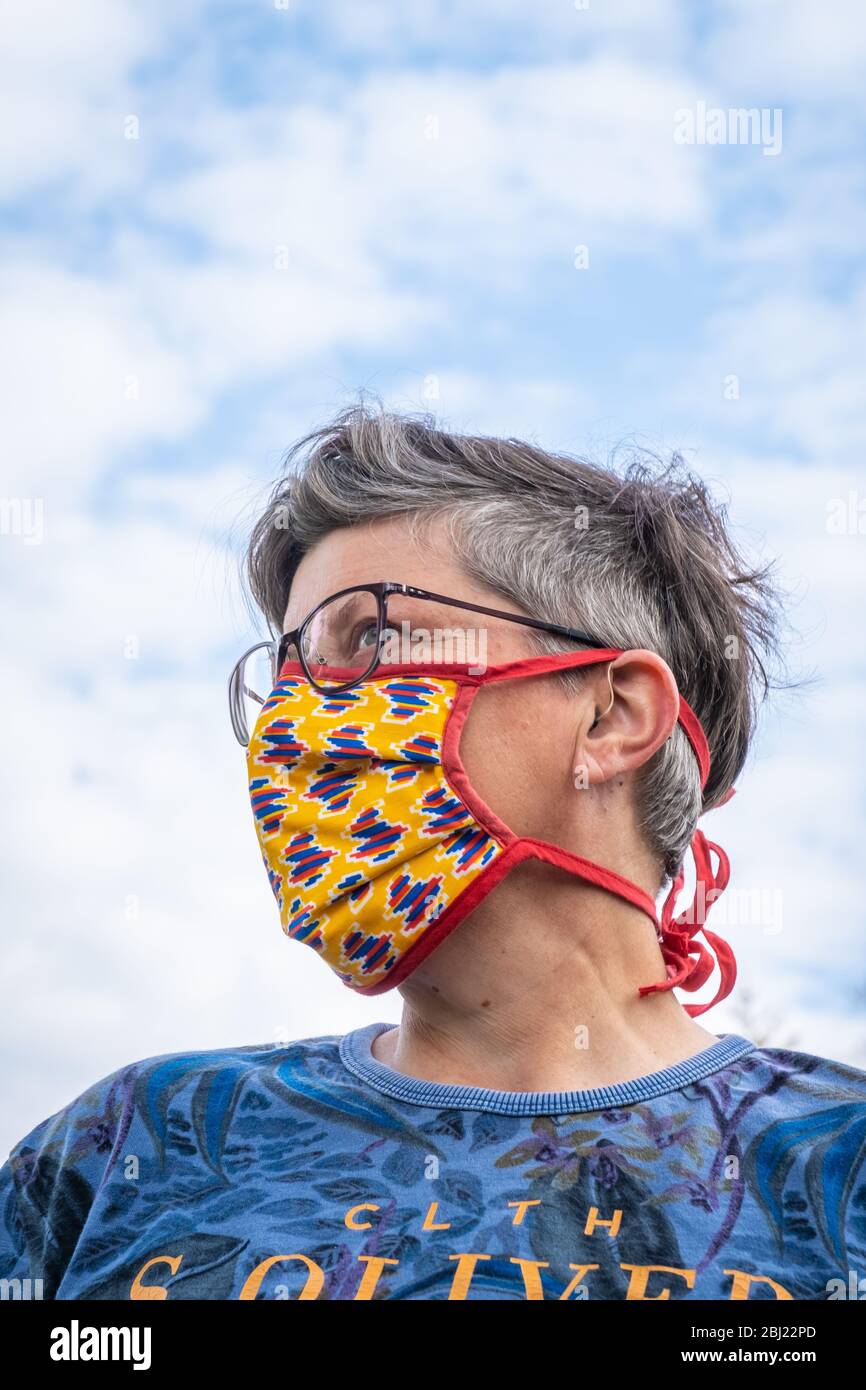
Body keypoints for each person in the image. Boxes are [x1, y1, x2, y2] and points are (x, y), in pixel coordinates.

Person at [2, 403, 865, 1302]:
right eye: (286, 671)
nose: (295, 721)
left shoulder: (841, 1168)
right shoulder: (127, 1148)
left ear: (612, 717)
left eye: (372, 636)